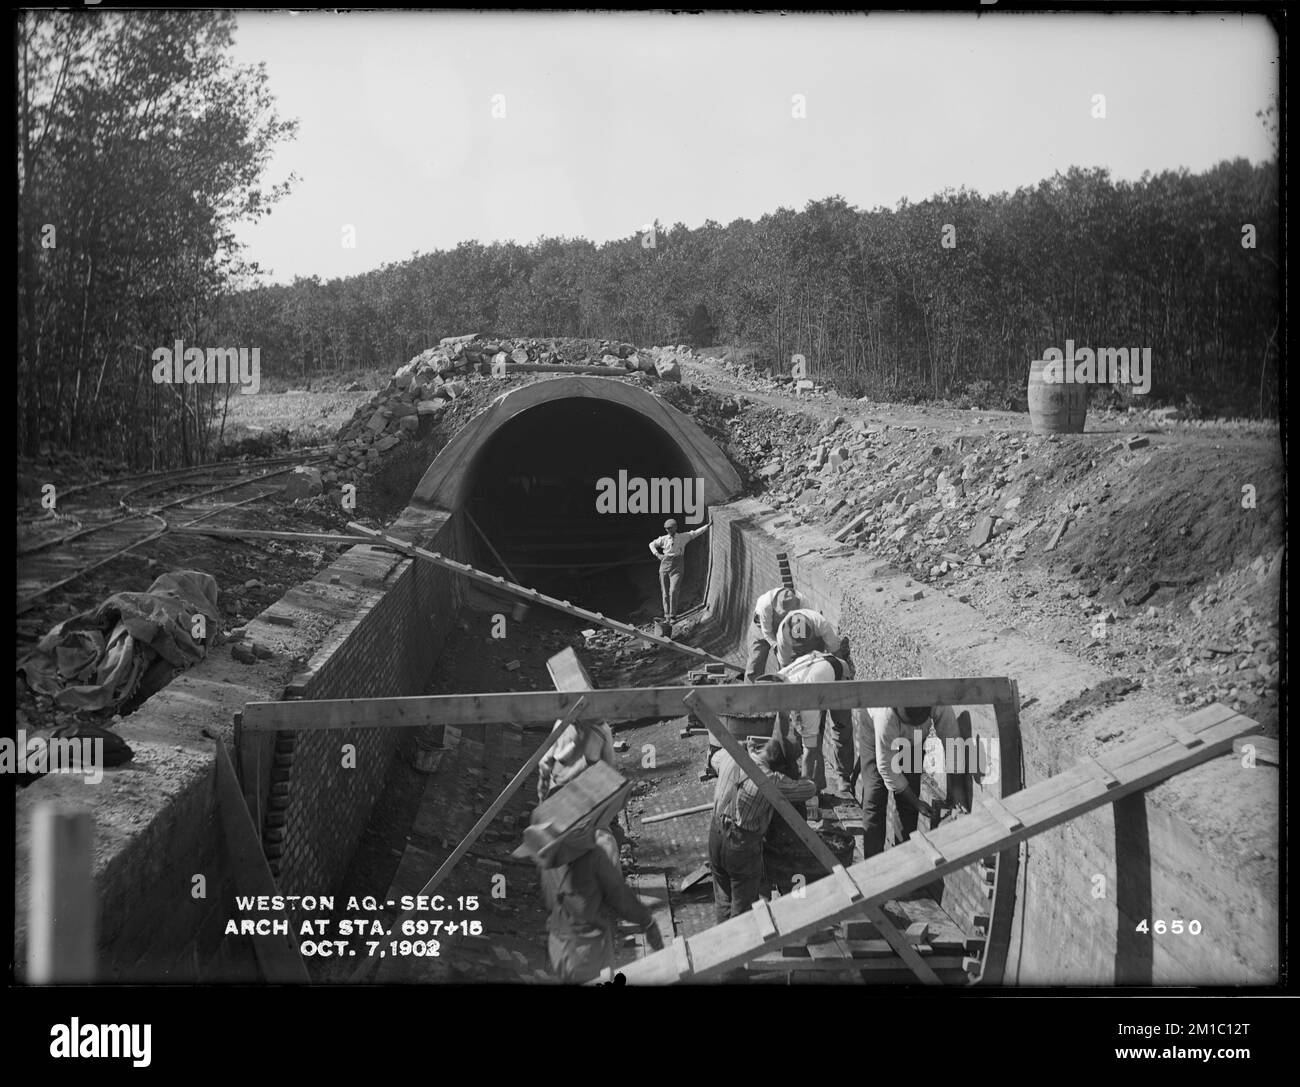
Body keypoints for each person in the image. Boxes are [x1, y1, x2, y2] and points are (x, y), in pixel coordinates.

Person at [709, 736, 816, 924]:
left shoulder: (732, 756)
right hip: (741, 846)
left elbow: (714, 758)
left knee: (724, 900)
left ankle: (721, 946)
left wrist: (744, 747)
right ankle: (740, 948)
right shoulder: (770, 781)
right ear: (779, 766)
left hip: (716, 835)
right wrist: (807, 776)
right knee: (742, 910)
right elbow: (808, 790)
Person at [537, 824, 664, 982]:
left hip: (558, 944)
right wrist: (648, 921)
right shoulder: (594, 854)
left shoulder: (547, 854)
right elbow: (618, 894)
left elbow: (549, 898)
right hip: (588, 951)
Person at [854, 704, 973, 859]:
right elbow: (887, 768)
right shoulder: (884, 716)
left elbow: (953, 746)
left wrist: (958, 798)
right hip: (876, 731)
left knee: (908, 808)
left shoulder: (938, 704)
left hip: (913, 741)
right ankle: (873, 868)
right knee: (875, 798)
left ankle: (904, 864)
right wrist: (917, 802)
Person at [773, 607, 855, 796]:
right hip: (816, 675)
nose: (804, 651)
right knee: (811, 735)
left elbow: (837, 654)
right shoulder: (783, 643)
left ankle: (843, 778)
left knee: (841, 728)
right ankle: (817, 786)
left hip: (836, 676)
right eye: (800, 649)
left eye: (807, 646)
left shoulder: (820, 624)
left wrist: (800, 787)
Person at [537, 718, 616, 803]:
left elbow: (546, 762)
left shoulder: (562, 723)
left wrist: (544, 779)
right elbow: (609, 766)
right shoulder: (602, 729)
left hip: (573, 792)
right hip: (576, 793)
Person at [648, 517, 709, 621]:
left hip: (678, 565)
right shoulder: (663, 539)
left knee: (673, 590)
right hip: (665, 565)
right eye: (666, 528)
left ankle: (673, 614)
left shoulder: (683, 537)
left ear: (675, 527)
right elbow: (651, 544)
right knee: (665, 592)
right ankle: (667, 615)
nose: (668, 530)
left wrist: (707, 526)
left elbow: (695, 533)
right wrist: (658, 554)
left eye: (670, 528)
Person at [745, 587, 803, 680]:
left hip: (785, 628)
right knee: (755, 664)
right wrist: (776, 646)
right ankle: (751, 692)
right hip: (761, 629)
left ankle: (785, 688)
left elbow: (801, 630)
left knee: (788, 664)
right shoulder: (765, 604)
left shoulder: (802, 602)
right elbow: (767, 632)